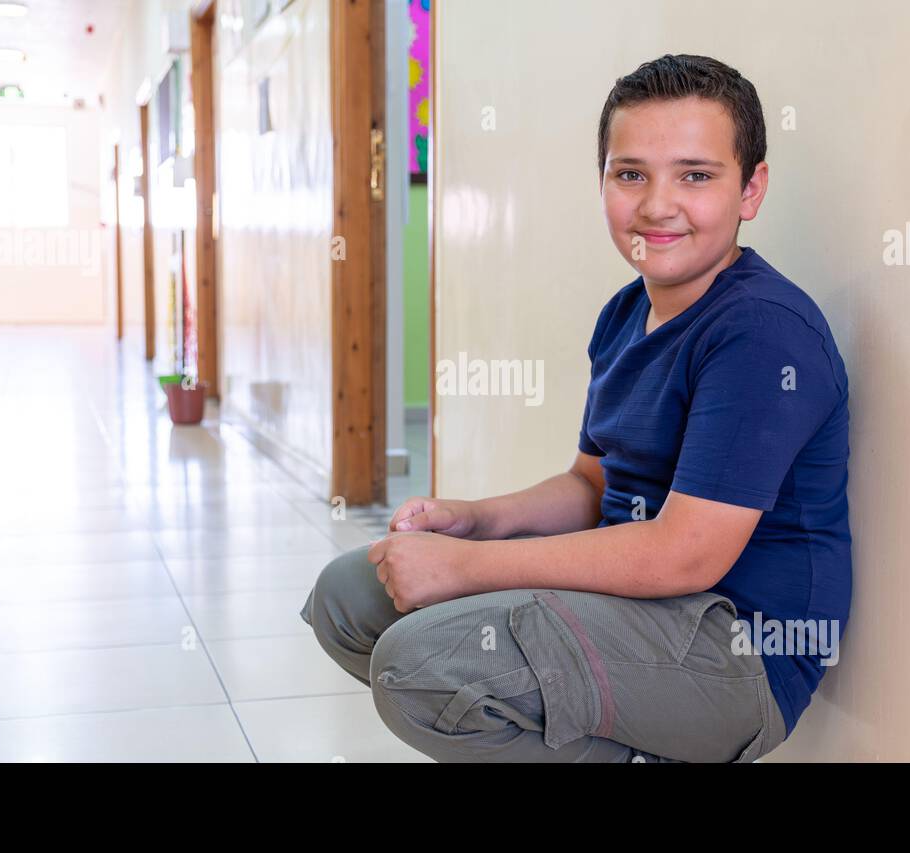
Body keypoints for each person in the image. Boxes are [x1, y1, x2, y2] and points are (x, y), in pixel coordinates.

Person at [300, 53, 852, 762]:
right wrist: (474, 520)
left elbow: (684, 555)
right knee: (350, 593)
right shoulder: (626, 313)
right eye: (631, 174)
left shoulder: (761, 333)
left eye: (696, 175)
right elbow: (592, 485)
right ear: (603, 184)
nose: (657, 204)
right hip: (642, 604)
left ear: (751, 189)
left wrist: (463, 567)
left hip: (738, 650)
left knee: (420, 664)